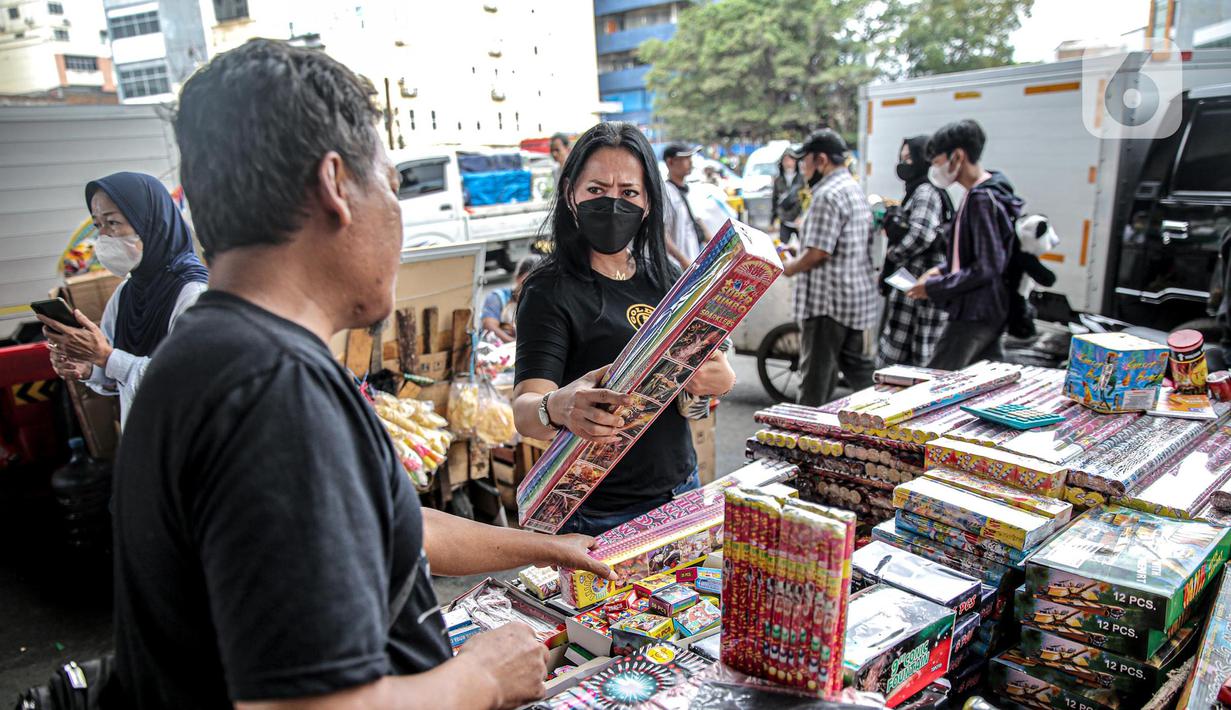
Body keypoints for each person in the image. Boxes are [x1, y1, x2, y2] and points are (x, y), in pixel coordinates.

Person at [105, 39, 613, 710]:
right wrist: (484, 677)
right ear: (336, 185)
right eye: (394, 188)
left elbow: (400, 526)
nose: (399, 220)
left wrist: (548, 548)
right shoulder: (273, 390)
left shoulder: (212, 353)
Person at [512, 122, 736, 537]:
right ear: (570, 195)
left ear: (648, 202)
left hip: (681, 492)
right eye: (596, 190)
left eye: (628, 193)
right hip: (595, 513)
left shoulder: (667, 275)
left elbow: (700, 376)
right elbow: (526, 410)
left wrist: (720, 380)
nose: (613, 204)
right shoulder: (548, 289)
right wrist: (556, 407)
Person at [39, 172, 209, 429]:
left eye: (113, 223)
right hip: (147, 445)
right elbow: (121, 378)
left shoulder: (194, 293)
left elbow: (187, 382)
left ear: (151, 222)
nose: (103, 237)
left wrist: (106, 357)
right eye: (98, 225)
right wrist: (88, 366)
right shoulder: (126, 294)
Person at [908, 119, 1022, 370]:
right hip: (989, 309)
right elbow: (973, 255)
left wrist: (935, 287)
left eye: (937, 162)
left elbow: (987, 266)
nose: (935, 170)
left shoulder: (981, 199)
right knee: (987, 380)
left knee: (937, 382)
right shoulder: (984, 192)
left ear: (957, 156)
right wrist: (941, 270)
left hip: (974, 312)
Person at [781, 129, 878, 406]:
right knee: (860, 373)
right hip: (852, 301)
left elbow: (819, 254)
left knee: (815, 382)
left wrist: (789, 266)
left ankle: (805, 440)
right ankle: (882, 416)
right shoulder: (852, 188)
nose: (802, 168)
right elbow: (838, 245)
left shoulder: (826, 194)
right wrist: (800, 251)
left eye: (804, 161)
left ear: (820, 159)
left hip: (827, 305)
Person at [877, 136, 953, 368]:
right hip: (912, 286)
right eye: (902, 158)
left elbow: (921, 235)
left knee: (911, 357)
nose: (904, 163)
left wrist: (894, 255)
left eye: (909, 158)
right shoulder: (918, 191)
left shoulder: (925, 192)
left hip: (918, 284)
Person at [660, 142, 706, 270]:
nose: (690, 162)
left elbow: (698, 223)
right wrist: (684, 262)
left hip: (694, 261)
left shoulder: (689, 191)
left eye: (690, 158)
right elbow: (662, 234)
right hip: (677, 267)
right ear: (670, 162)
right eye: (685, 158)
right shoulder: (665, 192)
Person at [480, 254, 541, 343]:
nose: (530, 287)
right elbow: (489, 326)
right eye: (527, 281)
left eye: (536, 282)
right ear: (517, 277)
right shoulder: (498, 297)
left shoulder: (540, 303)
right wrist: (513, 343)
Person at [770, 148, 804, 244]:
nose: (788, 163)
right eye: (786, 160)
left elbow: (807, 200)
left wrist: (802, 217)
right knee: (783, 249)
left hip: (799, 220)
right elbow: (775, 200)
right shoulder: (778, 180)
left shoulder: (803, 179)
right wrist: (772, 221)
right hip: (784, 220)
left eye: (791, 160)